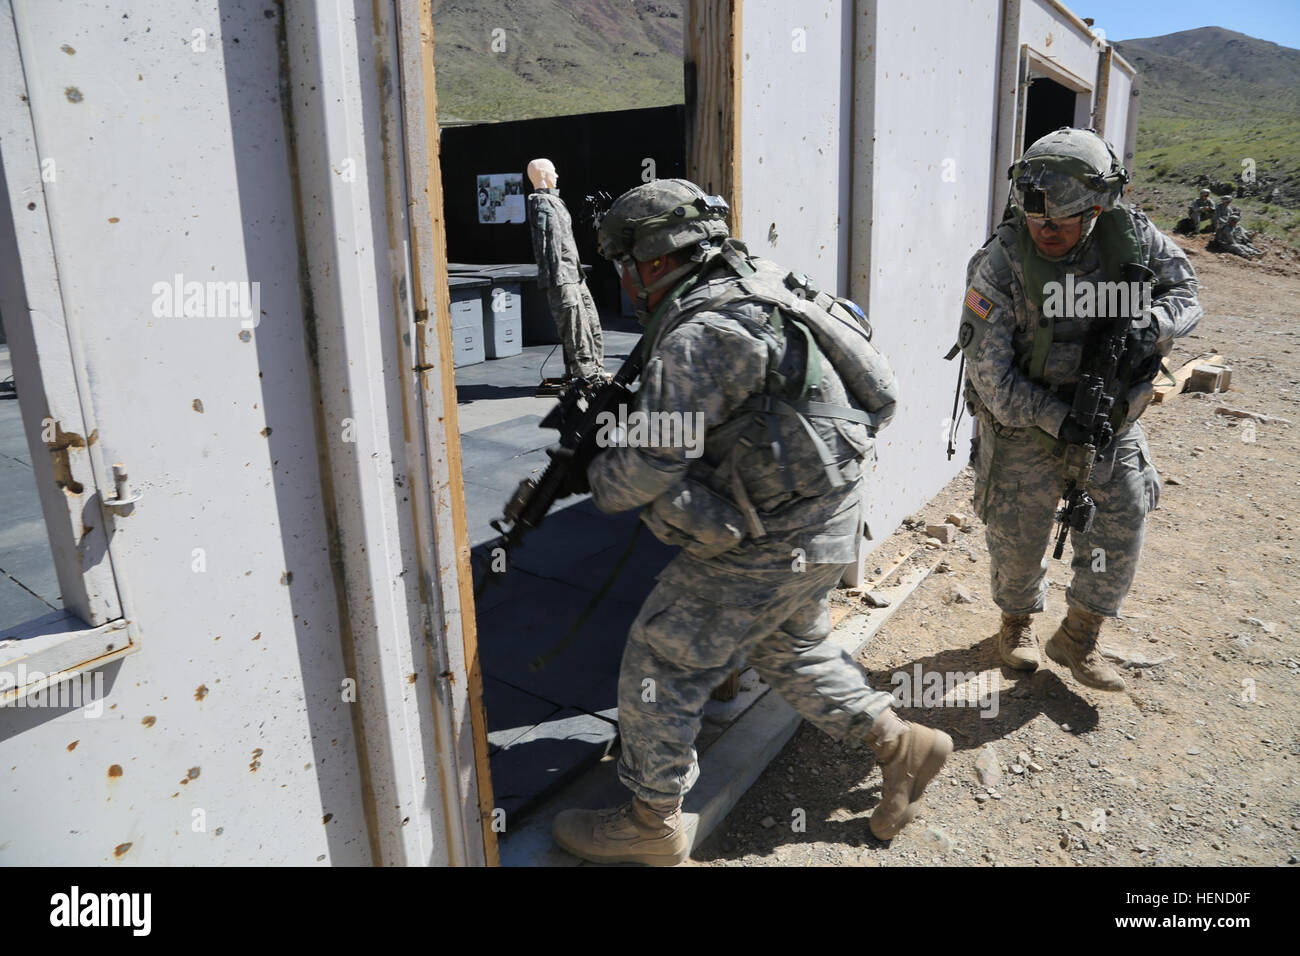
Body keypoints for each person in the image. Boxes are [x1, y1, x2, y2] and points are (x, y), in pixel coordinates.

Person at [550, 179, 952, 865]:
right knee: (788, 645)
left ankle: (652, 822)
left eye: (622, 266)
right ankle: (901, 745)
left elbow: (642, 473)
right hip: (827, 514)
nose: (623, 282)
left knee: (662, 656)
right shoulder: (766, 282)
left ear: (649, 261)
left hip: (774, 534)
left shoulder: (700, 336)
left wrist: (593, 471)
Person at [957, 128, 1203, 692]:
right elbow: (990, 379)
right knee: (1017, 536)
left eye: (1061, 221)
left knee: (1123, 516)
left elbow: (1186, 292)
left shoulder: (1132, 236)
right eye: (1037, 219)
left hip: (1111, 415)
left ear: (1097, 208)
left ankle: (1079, 635)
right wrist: (1056, 418)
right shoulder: (1000, 264)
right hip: (1025, 421)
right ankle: (1015, 624)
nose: (1045, 230)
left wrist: (1150, 327)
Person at [526, 158, 606, 382]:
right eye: (553, 171)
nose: (557, 176)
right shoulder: (541, 202)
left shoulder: (553, 201)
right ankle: (586, 375)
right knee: (575, 330)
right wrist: (556, 280)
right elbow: (546, 244)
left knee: (591, 323)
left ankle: (595, 368)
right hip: (562, 276)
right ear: (542, 174)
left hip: (574, 274)